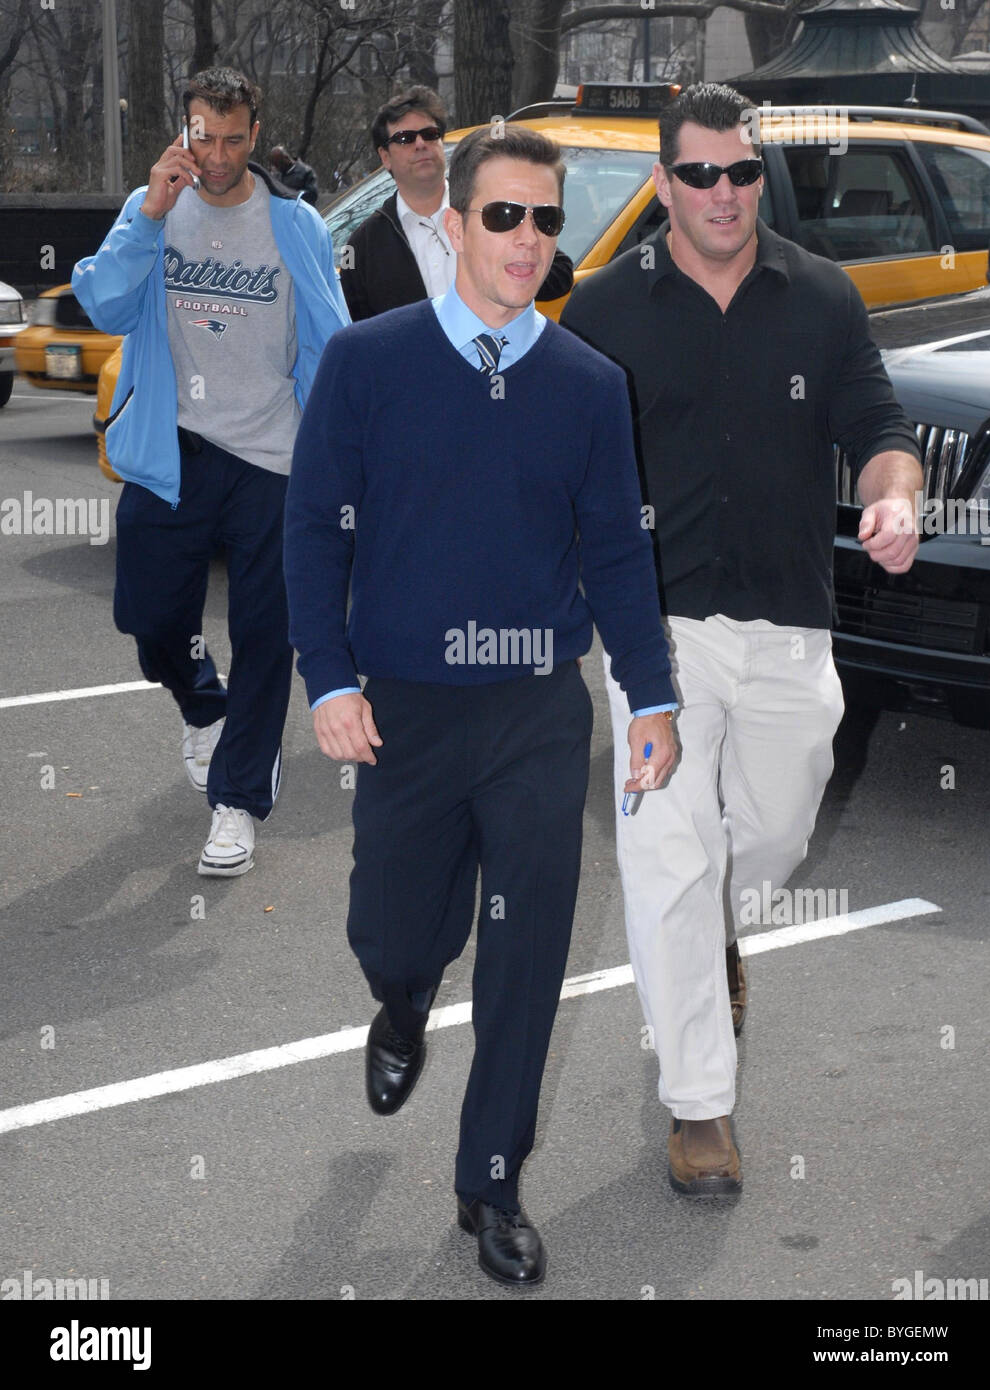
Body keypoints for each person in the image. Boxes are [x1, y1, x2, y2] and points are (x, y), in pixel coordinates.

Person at [284, 125, 678, 1287]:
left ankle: (490, 1183)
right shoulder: (368, 362)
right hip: (401, 706)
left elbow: (615, 554)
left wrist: (647, 697)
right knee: (397, 928)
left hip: (533, 714)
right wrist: (332, 677)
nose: (526, 239)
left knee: (526, 954)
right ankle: (400, 1002)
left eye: (545, 219)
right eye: (503, 215)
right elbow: (311, 528)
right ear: (450, 222)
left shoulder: (588, 385)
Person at [560, 82, 921, 1197]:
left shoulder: (819, 297)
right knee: (668, 856)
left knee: (766, 831)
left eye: (741, 172)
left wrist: (894, 495)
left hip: (786, 619)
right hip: (652, 626)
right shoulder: (603, 309)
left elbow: (876, 429)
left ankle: (715, 940)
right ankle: (699, 1109)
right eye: (699, 174)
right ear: (663, 182)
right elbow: (558, 460)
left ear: (761, 176)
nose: (723, 193)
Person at [73, 66, 349, 877]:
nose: (218, 154)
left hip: (274, 462)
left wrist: (347, 453)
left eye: (233, 139)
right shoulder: (152, 209)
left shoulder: (294, 224)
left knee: (269, 638)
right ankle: (201, 701)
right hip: (176, 455)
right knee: (148, 618)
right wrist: (149, 218)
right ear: (184, 130)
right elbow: (102, 305)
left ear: (254, 135)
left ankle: (236, 801)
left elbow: (333, 342)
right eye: (204, 136)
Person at [339, 85, 574, 320]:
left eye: (430, 134)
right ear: (385, 157)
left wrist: (507, 276)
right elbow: (359, 325)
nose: (420, 144)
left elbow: (561, 274)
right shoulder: (365, 243)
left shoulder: (491, 211)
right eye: (405, 138)